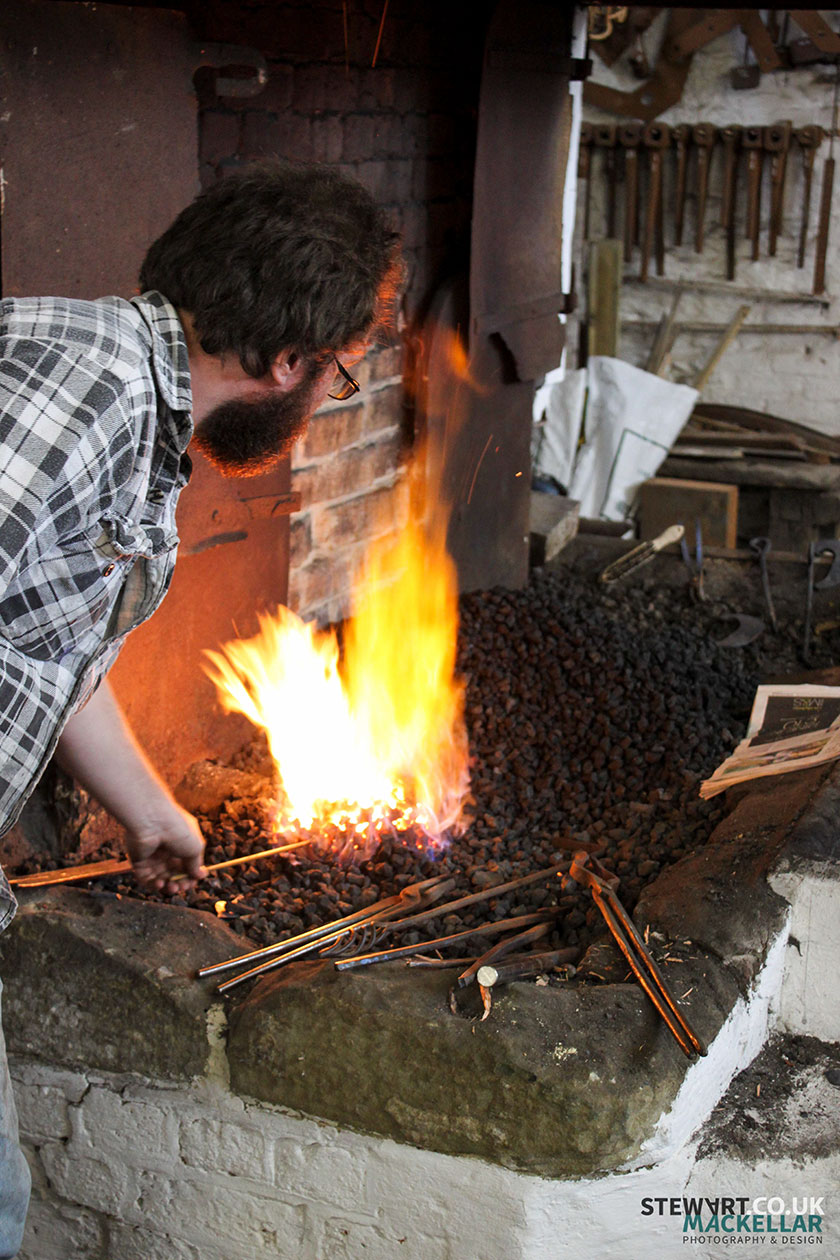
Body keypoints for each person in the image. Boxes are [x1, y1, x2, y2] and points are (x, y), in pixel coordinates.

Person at [0, 159, 401, 1255]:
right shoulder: (91, 393)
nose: (329, 407)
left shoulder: (130, 397)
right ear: (287, 360)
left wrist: (148, 810)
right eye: (342, 379)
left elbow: (48, 644)